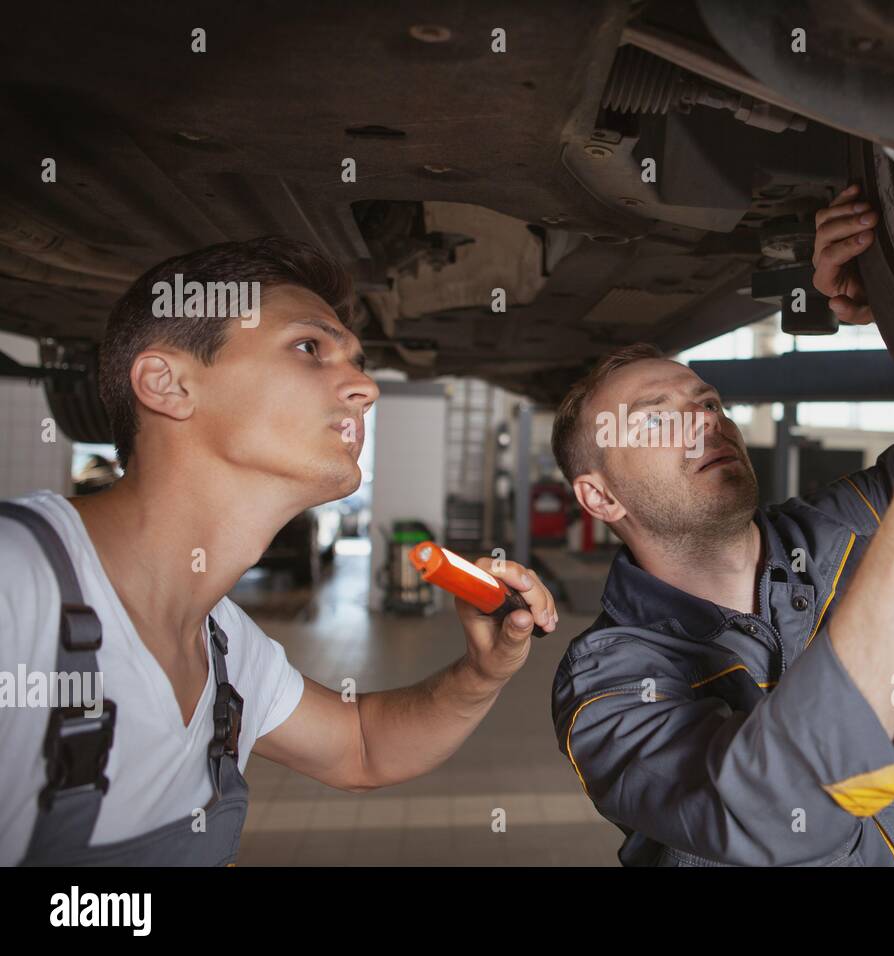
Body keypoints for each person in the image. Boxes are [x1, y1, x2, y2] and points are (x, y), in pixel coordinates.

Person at [0, 237, 557, 865]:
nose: (366, 387)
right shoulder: (17, 588)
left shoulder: (223, 643)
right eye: (309, 348)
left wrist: (481, 674)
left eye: (357, 359)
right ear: (168, 384)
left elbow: (361, 747)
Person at [548, 186, 894, 865]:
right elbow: (777, 814)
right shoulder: (608, 681)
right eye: (657, 419)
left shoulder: (841, 528)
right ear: (600, 499)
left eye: (708, 403)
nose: (704, 423)